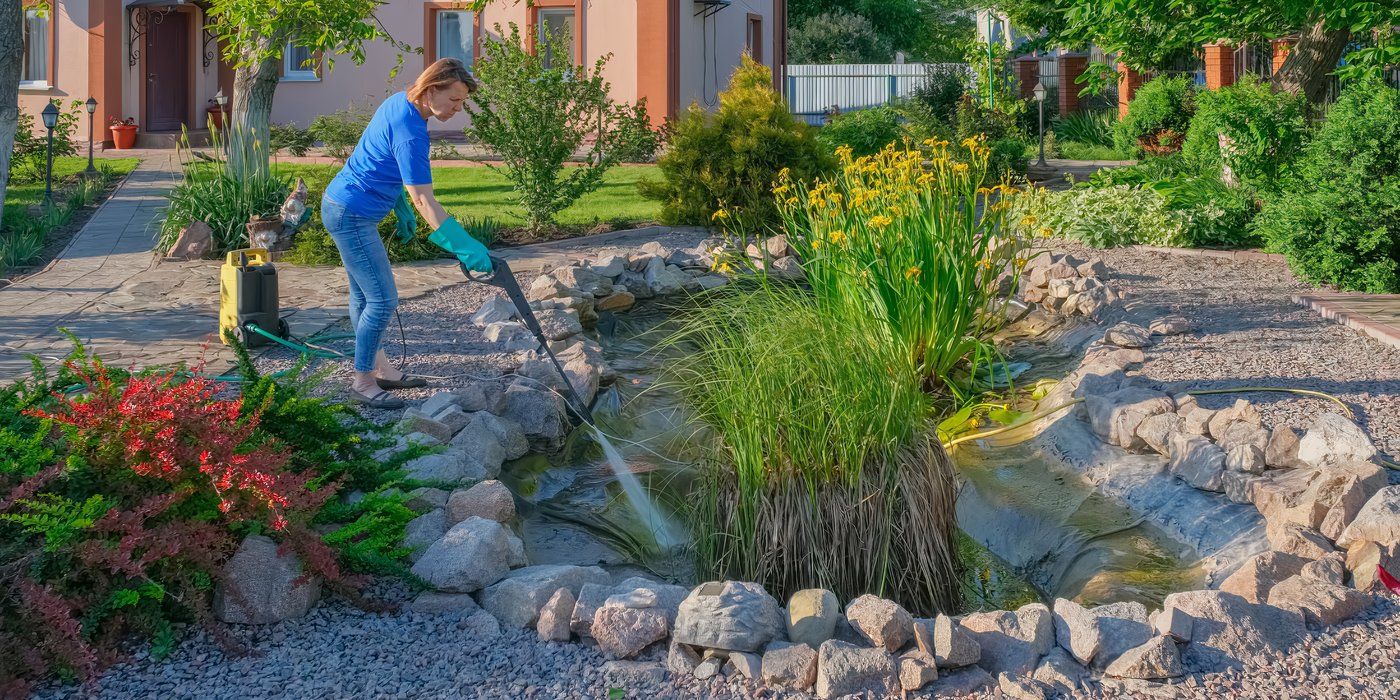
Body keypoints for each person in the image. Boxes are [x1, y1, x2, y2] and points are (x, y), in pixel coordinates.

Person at [321, 58, 493, 409]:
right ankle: (362, 380)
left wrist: (398, 208)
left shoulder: (399, 101)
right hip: (351, 214)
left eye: (462, 102)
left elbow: (382, 158)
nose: (458, 109)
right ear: (431, 90)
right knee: (383, 300)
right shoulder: (411, 130)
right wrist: (463, 245)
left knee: (365, 298)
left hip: (343, 204)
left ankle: (379, 368)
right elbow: (423, 198)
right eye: (454, 101)